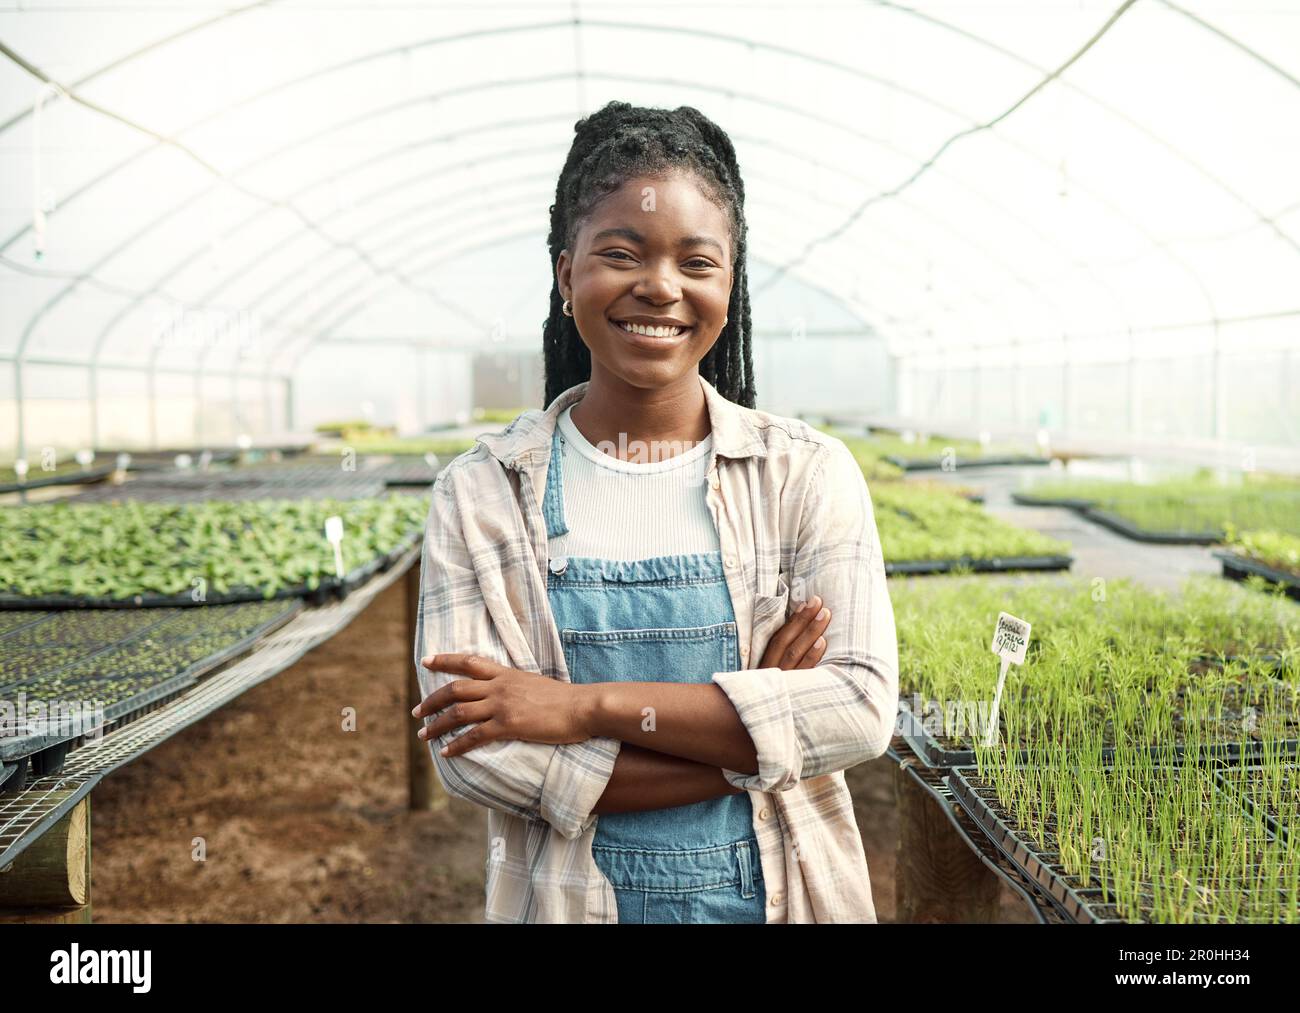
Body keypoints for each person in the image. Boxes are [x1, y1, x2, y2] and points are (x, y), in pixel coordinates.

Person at [411, 101, 898, 923]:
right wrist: (761, 727)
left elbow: (857, 709)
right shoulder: (482, 494)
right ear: (567, 277)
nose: (660, 286)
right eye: (621, 253)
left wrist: (578, 708)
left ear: (729, 282)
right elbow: (478, 756)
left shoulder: (804, 475)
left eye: (696, 261)